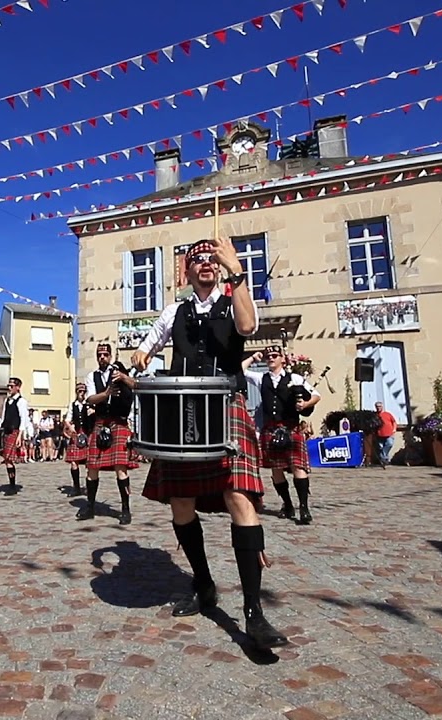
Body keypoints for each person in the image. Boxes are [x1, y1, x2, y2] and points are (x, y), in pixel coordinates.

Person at [130, 237, 287, 650]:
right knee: (181, 503)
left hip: (226, 403)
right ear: (186, 270)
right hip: (183, 410)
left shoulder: (234, 299)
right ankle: (204, 586)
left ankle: (254, 612)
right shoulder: (174, 310)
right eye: (197, 260)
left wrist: (236, 270)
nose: (205, 264)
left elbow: (249, 327)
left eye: (210, 259)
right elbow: (149, 343)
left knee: (240, 498)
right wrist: (142, 356)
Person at [241, 347, 320, 525]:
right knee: (276, 471)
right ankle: (288, 504)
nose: (270, 359)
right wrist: (253, 357)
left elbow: (316, 395)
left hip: (291, 428)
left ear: (283, 359)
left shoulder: (295, 378)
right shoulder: (262, 378)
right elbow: (241, 370)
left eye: (274, 356)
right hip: (270, 429)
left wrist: (305, 404)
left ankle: (304, 508)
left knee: (298, 468)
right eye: (268, 357)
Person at [80, 345, 138, 524]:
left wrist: (123, 376)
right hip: (100, 422)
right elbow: (89, 399)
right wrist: (105, 394)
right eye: (99, 355)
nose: (102, 357)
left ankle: (125, 509)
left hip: (118, 423)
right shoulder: (92, 376)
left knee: (121, 467)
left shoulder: (119, 372)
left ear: (111, 356)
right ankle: (89, 507)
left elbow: (137, 386)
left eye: (105, 355)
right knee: (92, 467)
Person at [62, 383, 93, 496]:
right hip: (76, 434)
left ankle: (89, 487)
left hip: (88, 434)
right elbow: (67, 419)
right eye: (80, 391)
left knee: (89, 463)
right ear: (76, 392)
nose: (82, 393)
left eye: (83, 391)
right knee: (74, 462)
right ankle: (76, 488)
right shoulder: (72, 405)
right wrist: (70, 428)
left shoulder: (89, 404)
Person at [374, 401, 397, 468]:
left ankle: (383, 458)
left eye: (380, 406)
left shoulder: (388, 414)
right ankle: (385, 460)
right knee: (380, 447)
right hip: (379, 435)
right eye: (377, 406)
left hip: (389, 434)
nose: (378, 408)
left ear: (382, 407)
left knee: (389, 444)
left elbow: (394, 422)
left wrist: (394, 429)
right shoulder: (375, 415)